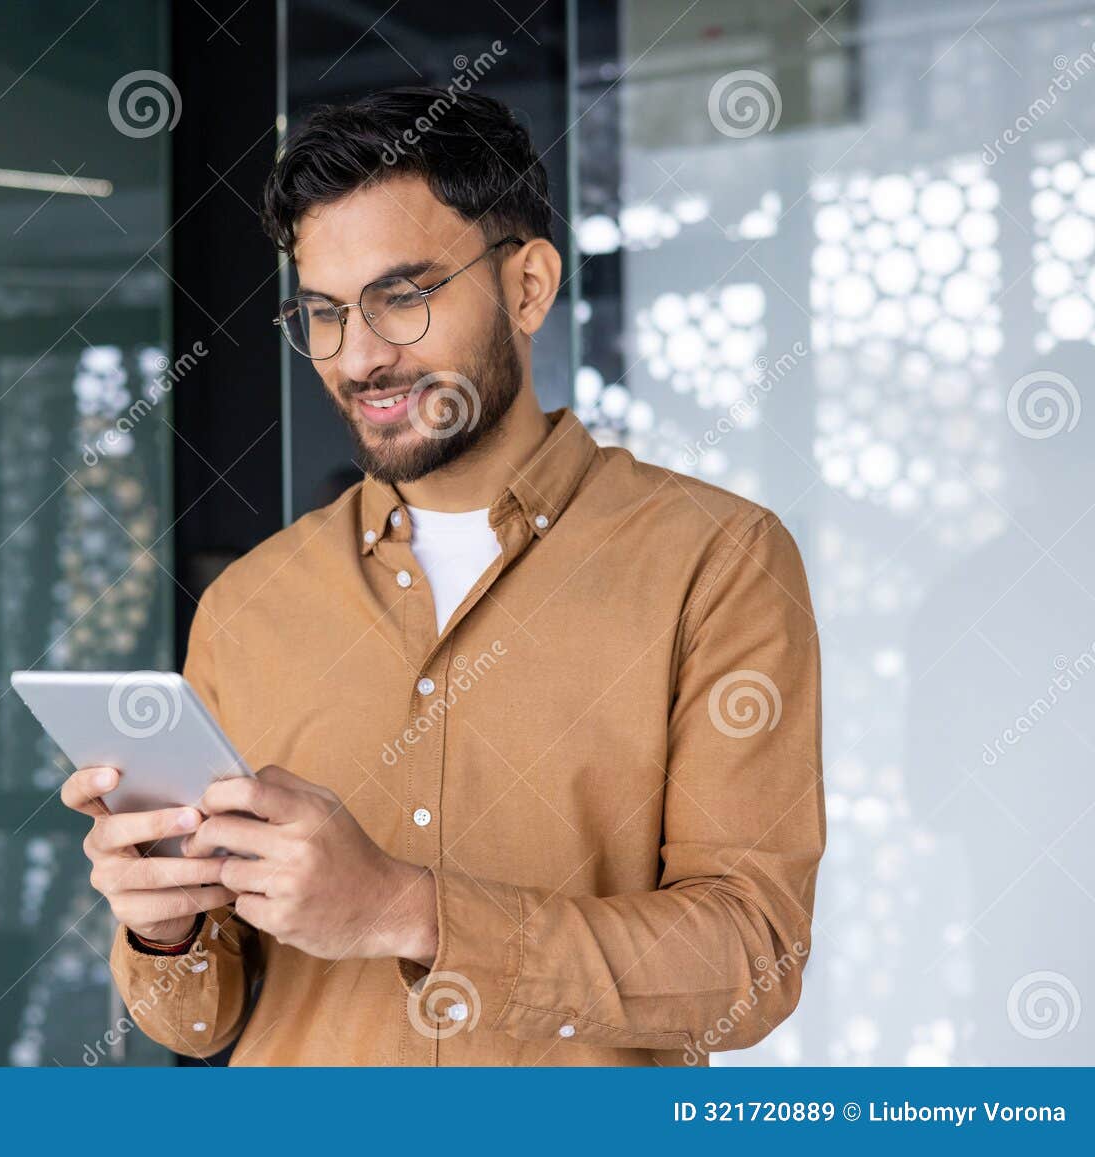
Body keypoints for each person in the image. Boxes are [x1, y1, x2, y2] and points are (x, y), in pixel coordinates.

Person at [60, 86, 825, 1065]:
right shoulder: (248, 604)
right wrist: (164, 927)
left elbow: (752, 960)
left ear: (529, 286)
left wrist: (404, 909)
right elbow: (196, 1019)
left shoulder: (714, 560)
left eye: (403, 297)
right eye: (324, 313)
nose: (360, 357)